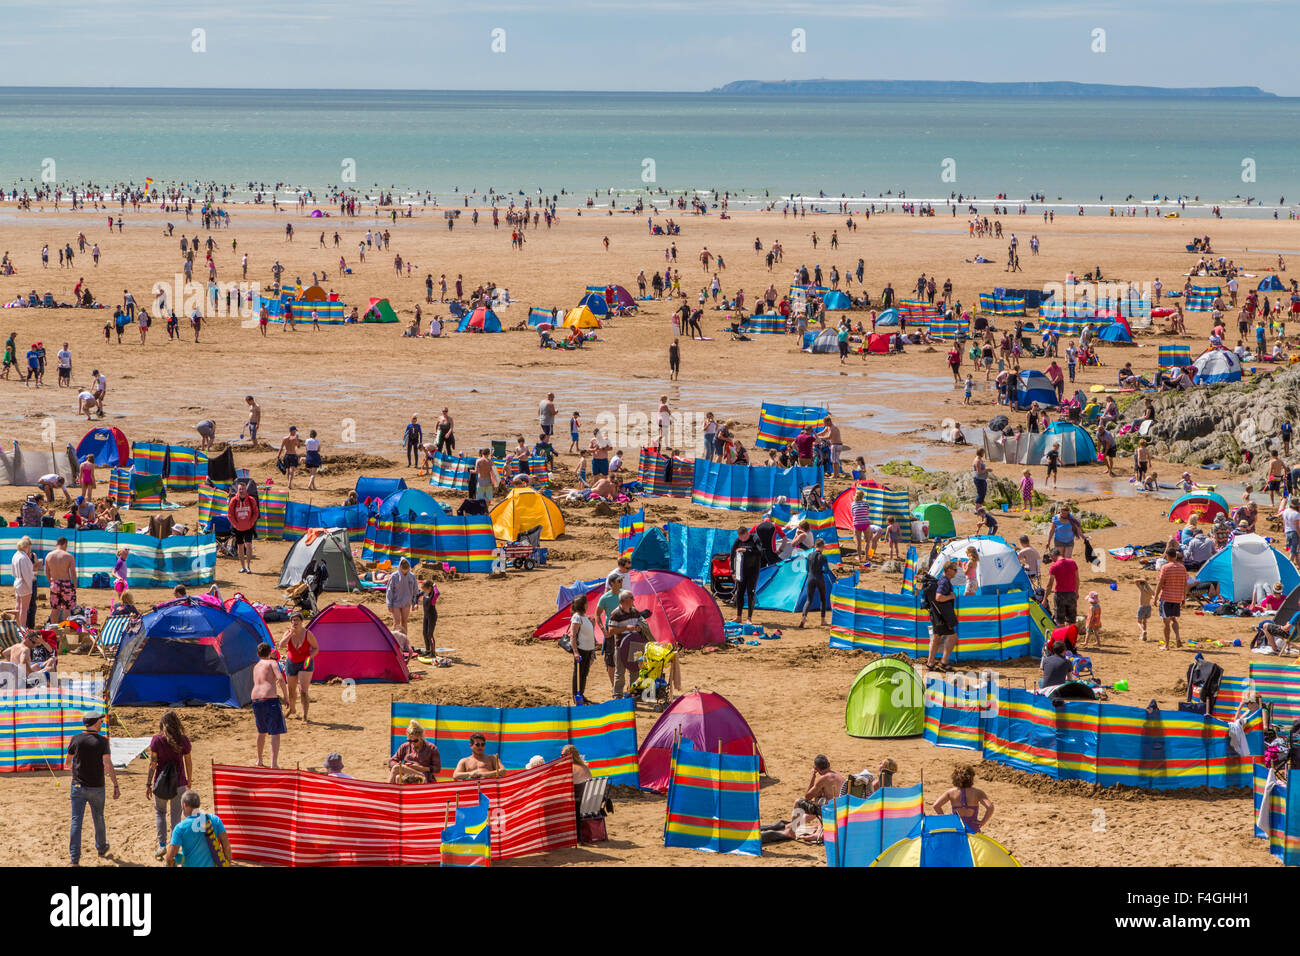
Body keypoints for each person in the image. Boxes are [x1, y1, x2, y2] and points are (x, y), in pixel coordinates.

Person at [68, 714, 118, 865]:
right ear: (96, 723)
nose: (102, 723)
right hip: (97, 786)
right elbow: (108, 764)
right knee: (98, 817)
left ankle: (74, 858)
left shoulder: (75, 739)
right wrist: (115, 784)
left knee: (76, 820)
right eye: (100, 721)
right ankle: (101, 847)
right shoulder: (102, 741)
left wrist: (77, 769)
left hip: (78, 786)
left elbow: (68, 762)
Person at [146, 710, 193, 860]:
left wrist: (148, 783)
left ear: (162, 724)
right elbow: (188, 761)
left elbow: (152, 764)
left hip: (160, 784)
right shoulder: (183, 740)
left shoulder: (156, 740)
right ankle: (174, 848)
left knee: (160, 813)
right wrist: (189, 780)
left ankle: (161, 845)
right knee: (175, 816)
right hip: (179, 784)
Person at [165, 790, 230, 868]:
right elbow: (226, 847)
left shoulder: (180, 828)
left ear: (184, 805)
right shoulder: (215, 820)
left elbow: (170, 858)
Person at [606, 590, 651, 698]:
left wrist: (639, 628)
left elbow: (641, 623)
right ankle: (617, 695)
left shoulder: (635, 612)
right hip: (621, 646)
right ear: (624, 600)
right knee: (620, 672)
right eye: (631, 598)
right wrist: (625, 628)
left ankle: (632, 693)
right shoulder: (615, 613)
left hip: (635, 646)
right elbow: (611, 631)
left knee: (635, 670)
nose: (633, 600)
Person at [251, 643, 288, 768]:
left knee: (261, 731)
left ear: (258, 654)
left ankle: (259, 760)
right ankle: (274, 763)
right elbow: (281, 679)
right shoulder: (272, 663)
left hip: (256, 699)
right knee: (275, 732)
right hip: (270, 699)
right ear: (270, 653)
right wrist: (286, 697)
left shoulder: (256, 666)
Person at [931, 764, 993, 833]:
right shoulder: (978, 792)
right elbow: (990, 807)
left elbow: (936, 806)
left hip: (957, 827)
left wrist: (946, 820)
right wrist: (983, 822)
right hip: (972, 828)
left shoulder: (951, 792)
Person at [280, 610, 318, 721]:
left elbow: (316, 648)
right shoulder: (288, 633)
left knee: (303, 690)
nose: (294, 622)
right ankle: (292, 709)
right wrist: (290, 635)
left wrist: (310, 657)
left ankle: (305, 716)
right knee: (291, 690)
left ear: (302, 621)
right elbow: (281, 645)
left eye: (297, 620)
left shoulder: (308, 634)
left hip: (305, 662)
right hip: (291, 662)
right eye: (293, 620)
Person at [924, 561, 959, 671]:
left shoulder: (943, 580)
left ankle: (931, 662)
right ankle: (943, 661)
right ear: (948, 570)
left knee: (936, 638)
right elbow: (938, 597)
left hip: (937, 615)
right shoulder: (944, 582)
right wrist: (951, 596)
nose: (956, 572)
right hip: (942, 616)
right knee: (952, 637)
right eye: (955, 570)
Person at [1154, 545, 1187, 650]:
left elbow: (1160, 583)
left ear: (1167, 556)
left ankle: (1167, 645)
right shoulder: (1182, 568)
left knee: (1166, 622)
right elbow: (1185, 584)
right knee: (1174, 619)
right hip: (1177, 597)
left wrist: (1155, 597)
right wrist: (1183, 597)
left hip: (1167, 597)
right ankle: (1177, 637)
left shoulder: (1165, 567)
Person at [568, 593, 598, 704]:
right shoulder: (577, 617)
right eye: (586, 603)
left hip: (588, 649)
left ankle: (581, 694)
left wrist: (592, 624)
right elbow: (573, 635)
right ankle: (576, 696)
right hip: (581, 650)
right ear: (583, 605)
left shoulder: (584, 617)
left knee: (584, 674)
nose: (588, 604)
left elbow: (589, 634)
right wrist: (575, 652)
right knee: (578, 674)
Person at [385, 558, 420, 652]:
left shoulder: (412, 576)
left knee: (404, 622)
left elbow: (416, 591)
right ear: (400, 568)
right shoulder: (394, 576)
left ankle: (404, 643)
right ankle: (394, 643)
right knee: (396, 622)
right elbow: (389, 591)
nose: (405, 571)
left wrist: (415, 603)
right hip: (396, 602)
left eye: (407, 570)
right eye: (403, 570)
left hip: (406, 603)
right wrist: (389, 604)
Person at [730, 525, 762, 623]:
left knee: (750, 593)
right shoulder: (738, 541)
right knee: (739, 593)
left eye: (744, 538)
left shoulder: (755, 539)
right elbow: (732, 556)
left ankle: (749, 618)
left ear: (747, 533)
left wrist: (746, 550)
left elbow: (760, 552)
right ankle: (739, 616)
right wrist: (733, 571)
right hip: (741, 572)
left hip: (753, 571)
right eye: (740, 538)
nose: (742, 540)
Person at [226, 483, 259, 573]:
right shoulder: (234, 501)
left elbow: (256, 513)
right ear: (238, 490)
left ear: (246, 490)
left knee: (248, 545)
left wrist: (251, 522)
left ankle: (248, 566)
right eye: (240, 489)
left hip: (248, 527)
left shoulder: (251, 500)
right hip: (237, 528)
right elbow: (229, 514)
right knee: (240, 546)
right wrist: (235, 524)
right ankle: (243, 567)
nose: (241, 491)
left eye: (243, 489)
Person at [798, 539, 830, 628]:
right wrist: (822, 570)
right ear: (822, 547)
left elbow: (807, 569)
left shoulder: (810, 555)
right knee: (823, 599)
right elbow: (826, 570)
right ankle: (823, 620)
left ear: (815, 546)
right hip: (819, 578)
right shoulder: (823, 557)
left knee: (809, 600)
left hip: (810, 578)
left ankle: (804, 618)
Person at [45, 536, 77, 625]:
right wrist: (74, 585)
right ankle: (66, 630)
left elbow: (47, 571)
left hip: (54, 583)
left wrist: (51, 582)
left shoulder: (49, 555)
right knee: (67, 609)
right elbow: (73, 573)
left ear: (57, 544)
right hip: (66, 584)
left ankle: (53, 630)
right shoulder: (69, 556)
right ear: (65, 544)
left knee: (55, 609)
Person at [1044, 548, 1079, 627]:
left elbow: (1050, 584)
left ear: (1053, 555)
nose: (1051, 559)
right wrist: (1077, 592)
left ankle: (1062, 638)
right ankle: (1071, 638)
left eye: (1051, 557)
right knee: (1071, 620)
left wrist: (1044, 598)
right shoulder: (1072, 562)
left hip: (1060, 595)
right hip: (1071, 593)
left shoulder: (1054, 566)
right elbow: (1077, 579)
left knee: (1060, 621)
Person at [10, 535, 36, 631]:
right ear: (26, 546)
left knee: (18, 605)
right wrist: (31, 580)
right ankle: (22, 628)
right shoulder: (23, 557)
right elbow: (26, 574)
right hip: (24, 583)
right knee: (24, 608)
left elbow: (13, 571)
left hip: (17, 581)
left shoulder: (16, 555)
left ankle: (16, 625)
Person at [419, 578, 440, 656]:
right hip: (426, 616)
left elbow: (437, 593)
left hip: (432, 616)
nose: (423, 590)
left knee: (429, 634)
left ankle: (433, 652)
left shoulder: (433, 596)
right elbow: (417, 595)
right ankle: (428, 650)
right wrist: (415, 603)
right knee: (424, 633)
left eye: (424, 589)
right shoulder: (425, 593)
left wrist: (434, 586)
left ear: (429, 588)